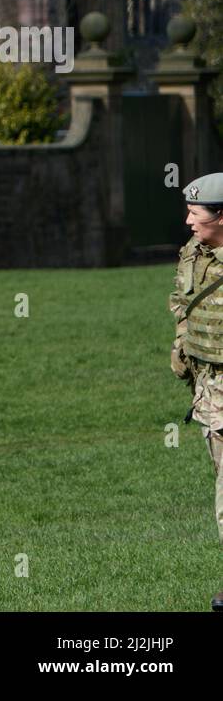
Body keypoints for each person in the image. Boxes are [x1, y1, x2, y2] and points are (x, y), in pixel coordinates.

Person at [169, 172, 223, 611]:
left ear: (221, 216)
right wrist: (182, 345)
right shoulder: (196, 253)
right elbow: (181, 299)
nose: (188, 219)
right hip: (208, 391)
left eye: (195, 212)